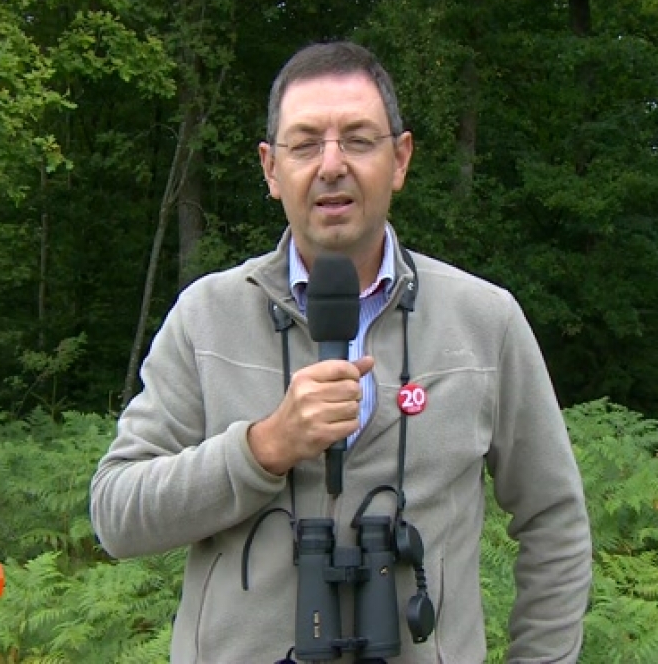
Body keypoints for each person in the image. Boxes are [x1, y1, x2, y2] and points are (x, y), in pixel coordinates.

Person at [90, 41, 592, 663]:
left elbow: (555, 520)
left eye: (358, 139)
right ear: (271, 170)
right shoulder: (206, 316)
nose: (331, 165)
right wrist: (261, 449)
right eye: (305, 144)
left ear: (400, 159)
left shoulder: (484, 321)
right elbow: (116, 513)